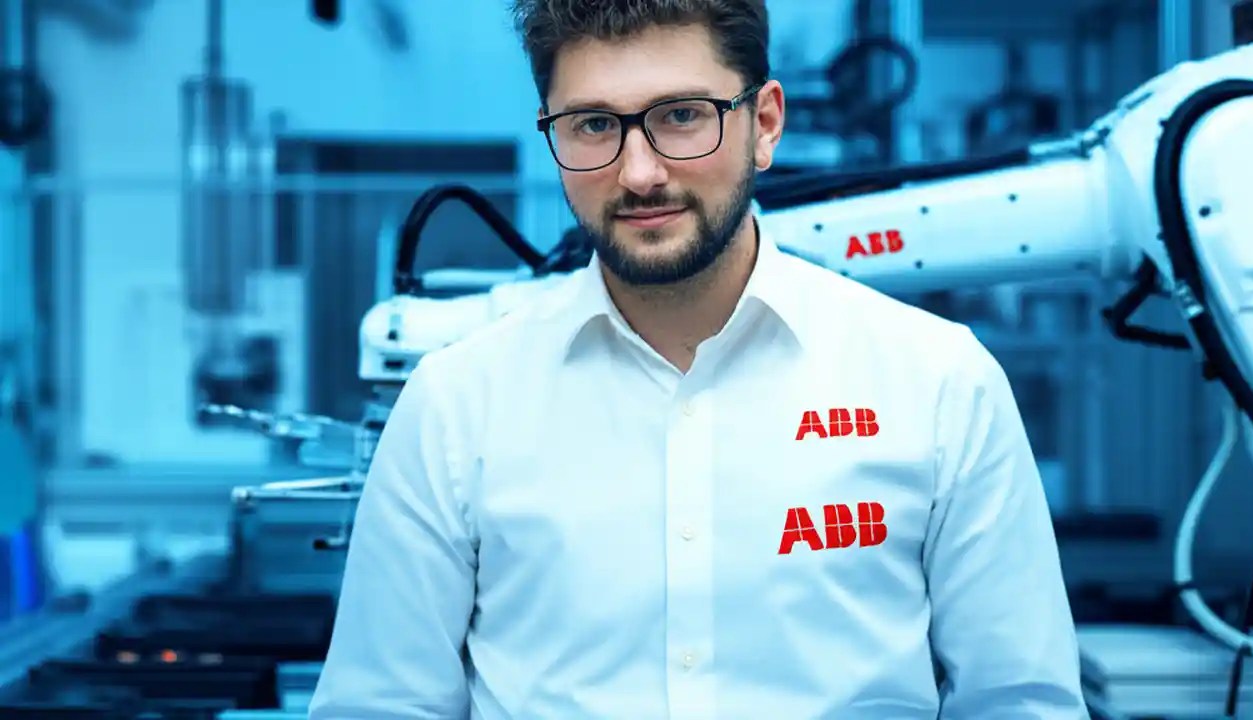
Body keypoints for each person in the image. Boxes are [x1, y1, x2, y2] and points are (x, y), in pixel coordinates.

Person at [308, 1, 1089, 718]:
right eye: (592, 126)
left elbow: (1018, 703)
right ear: (552, 134)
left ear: (767, 123)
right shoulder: (456, 404)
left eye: (683, 117)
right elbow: (381, 706)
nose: (640, 172)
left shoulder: (938, 383)